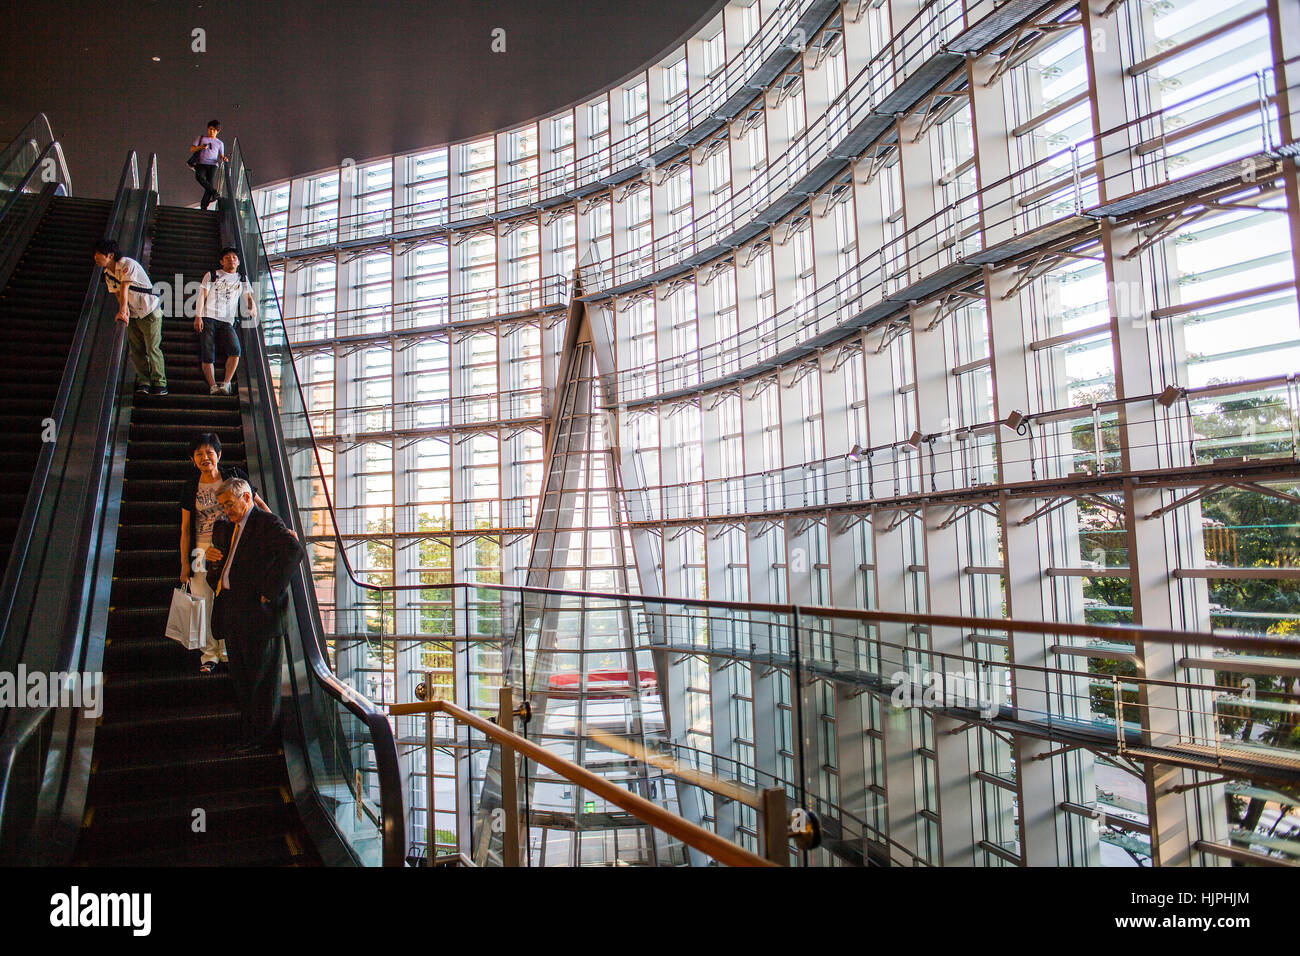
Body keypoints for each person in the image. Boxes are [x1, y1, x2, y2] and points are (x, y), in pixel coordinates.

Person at [205, 477, 305, 753]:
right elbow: (223, 567)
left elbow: (294, 551)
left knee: (262, 683)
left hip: (260, 616)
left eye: (229, 504)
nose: (225, 510)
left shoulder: (266, 523)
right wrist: (210, 562)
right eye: (222, 505)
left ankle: (260, 738)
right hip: (233, 612)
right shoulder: (227, 528)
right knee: (243, 680)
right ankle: (248, 734)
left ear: (247, 498)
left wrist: (269, 591)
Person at [178, 433, 271, 673]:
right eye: (198, 454)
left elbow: (256, 503)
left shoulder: (235, 476)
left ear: (218, 455)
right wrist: (184, 565)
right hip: (201, 549)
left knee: (229, 599)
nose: (204, 458)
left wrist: (276, 526)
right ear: (192, 459)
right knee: (202, 600)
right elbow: (186, 528)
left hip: (232, 544)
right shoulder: (191, 487)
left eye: (209, 453)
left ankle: (227, 649)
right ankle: (210, 654)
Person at [93, 238, 167, 396]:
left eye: (99, 254)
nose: (96, 257)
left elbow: (125, 286)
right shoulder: (107, 274)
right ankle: (144, 382)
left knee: (152, 347)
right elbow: (119, 294)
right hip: (133, 313)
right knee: (136, 349)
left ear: (110, 255)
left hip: (149, 311)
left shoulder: (128, 264)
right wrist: (124, 311)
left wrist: (122, 311)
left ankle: (159, 382)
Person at [195, 247, 255, 394]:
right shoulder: (212, 275)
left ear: (239, 262)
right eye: (227, 257)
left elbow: (248, 298)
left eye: (234, 257)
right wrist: (198, 316)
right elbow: (202, 295)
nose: (231, 259)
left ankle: (226, 383)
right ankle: (213, 386)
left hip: (227, 320)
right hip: (208, 317)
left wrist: (253, 310)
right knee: (208, 352)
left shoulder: (242, 279)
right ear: (221, 262)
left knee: (235, 350)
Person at [189, 120, 228, 210]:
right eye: (210, 129)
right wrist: (201, 147)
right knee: (199, 177)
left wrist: (223, 158)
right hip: (201, 163)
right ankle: (214, 192)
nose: (211, 131)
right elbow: (192, 149)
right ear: (207, 129)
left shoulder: (220, 143)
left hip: (213, 164)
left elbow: (221, 155)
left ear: (217, 131)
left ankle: (204, 206)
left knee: (209, 184)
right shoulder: (201, 138)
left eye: (214, 130)